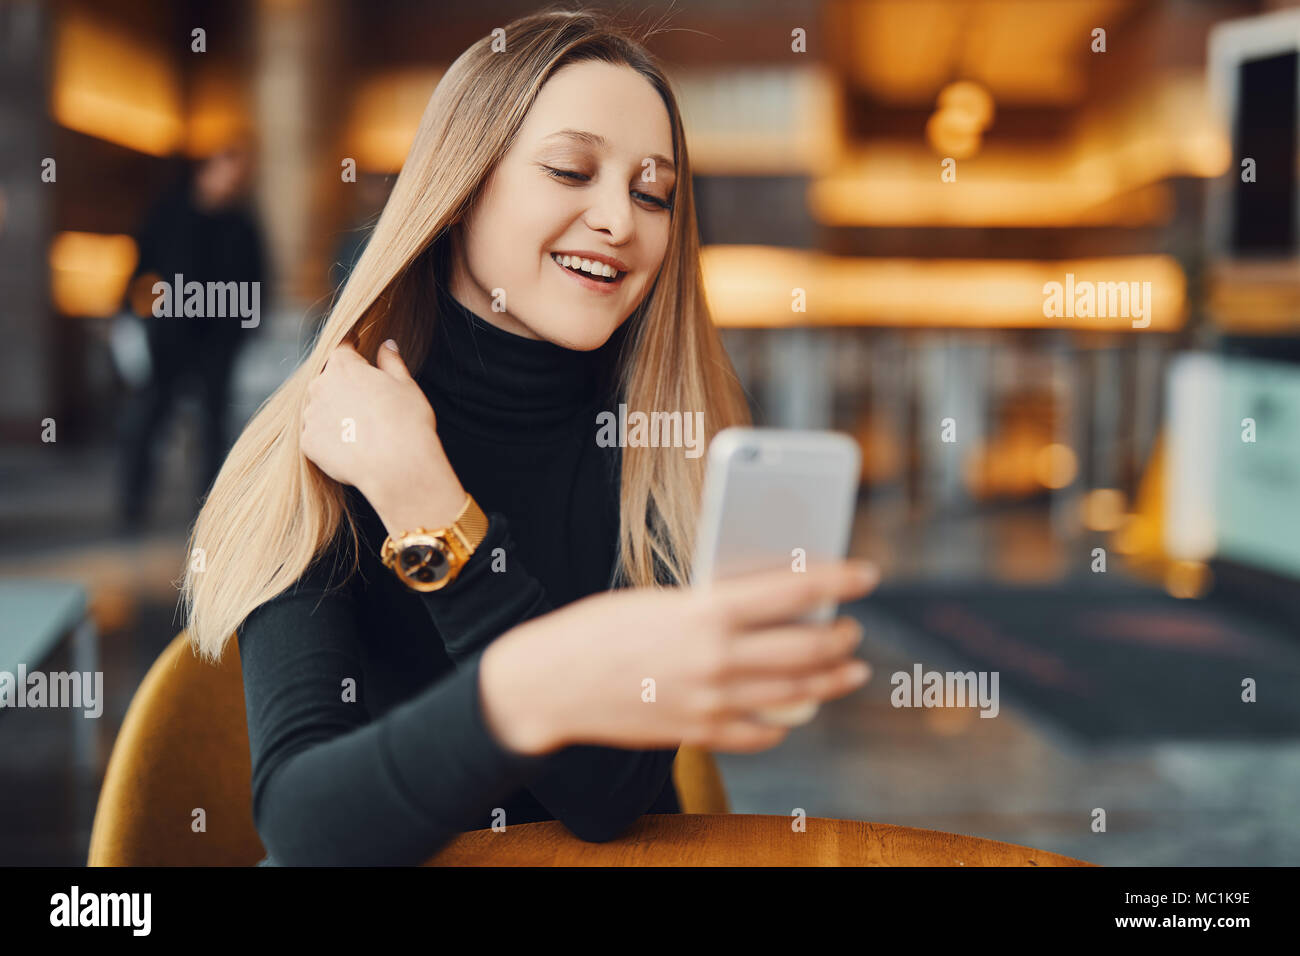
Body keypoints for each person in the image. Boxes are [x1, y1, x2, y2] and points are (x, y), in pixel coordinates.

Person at [181, 8, 876, 867]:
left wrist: (434, 511)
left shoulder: (657, 452)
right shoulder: (333, 432)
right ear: (463, 185)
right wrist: (525, 676)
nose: (619, 219)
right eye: (571, 171)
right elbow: (307, 828)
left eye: (652, 192)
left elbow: (606, 800)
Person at [116, 138, 269, 530]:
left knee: (213, 426)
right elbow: (141, 265)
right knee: (151, 418)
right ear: (207, 169)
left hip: (218, 342)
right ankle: (132, 506)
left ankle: (209, 510)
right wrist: (128, 315)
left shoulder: (242, 223)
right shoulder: (169, 213)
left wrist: (244, 331)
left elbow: (257, 281)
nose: (233, 181)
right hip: (171, 337)